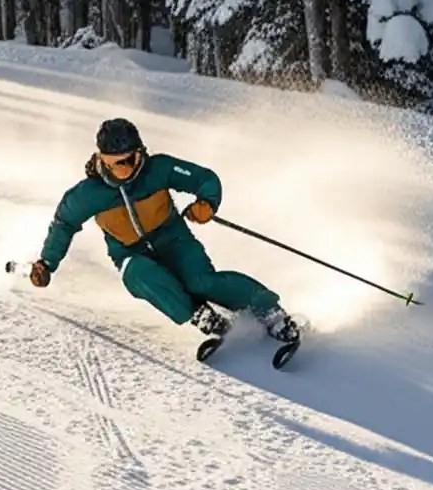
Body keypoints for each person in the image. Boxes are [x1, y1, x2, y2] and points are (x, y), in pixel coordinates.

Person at [26, 118, 300, 343]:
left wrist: (207, 203)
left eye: (134, 157)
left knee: (201, 282)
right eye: (121, 162)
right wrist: (47, 263)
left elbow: (203, 178)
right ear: (105, 161)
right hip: (130, 251)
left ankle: (271, 312)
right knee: (136, 274)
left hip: (173, 238)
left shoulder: (158, 169)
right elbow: (63, 224)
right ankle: (200, 315)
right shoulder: (87, 194)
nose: (131, 166)